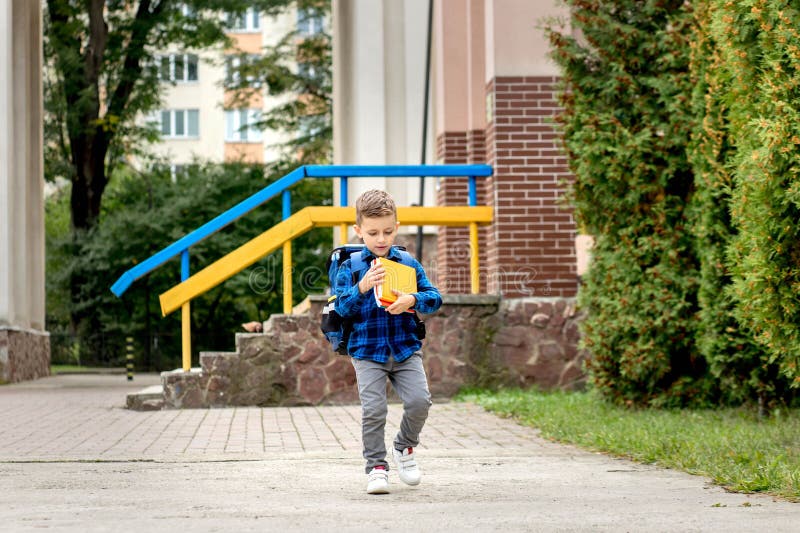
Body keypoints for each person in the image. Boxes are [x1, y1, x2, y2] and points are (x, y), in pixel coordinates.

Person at [333, 189, 442, 494]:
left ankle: (404, 447)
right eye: (372, 232)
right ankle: (376, 468)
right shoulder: (350, 267)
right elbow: (341, 308)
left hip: (405, 348)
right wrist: (362, 287)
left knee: (420, 401)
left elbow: (434, 298)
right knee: (374, 410)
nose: (381, 238)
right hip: (367, 351)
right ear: (358, 231)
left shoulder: (407, 262)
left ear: (396, 226)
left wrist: (413, 298)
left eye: (388, 231)